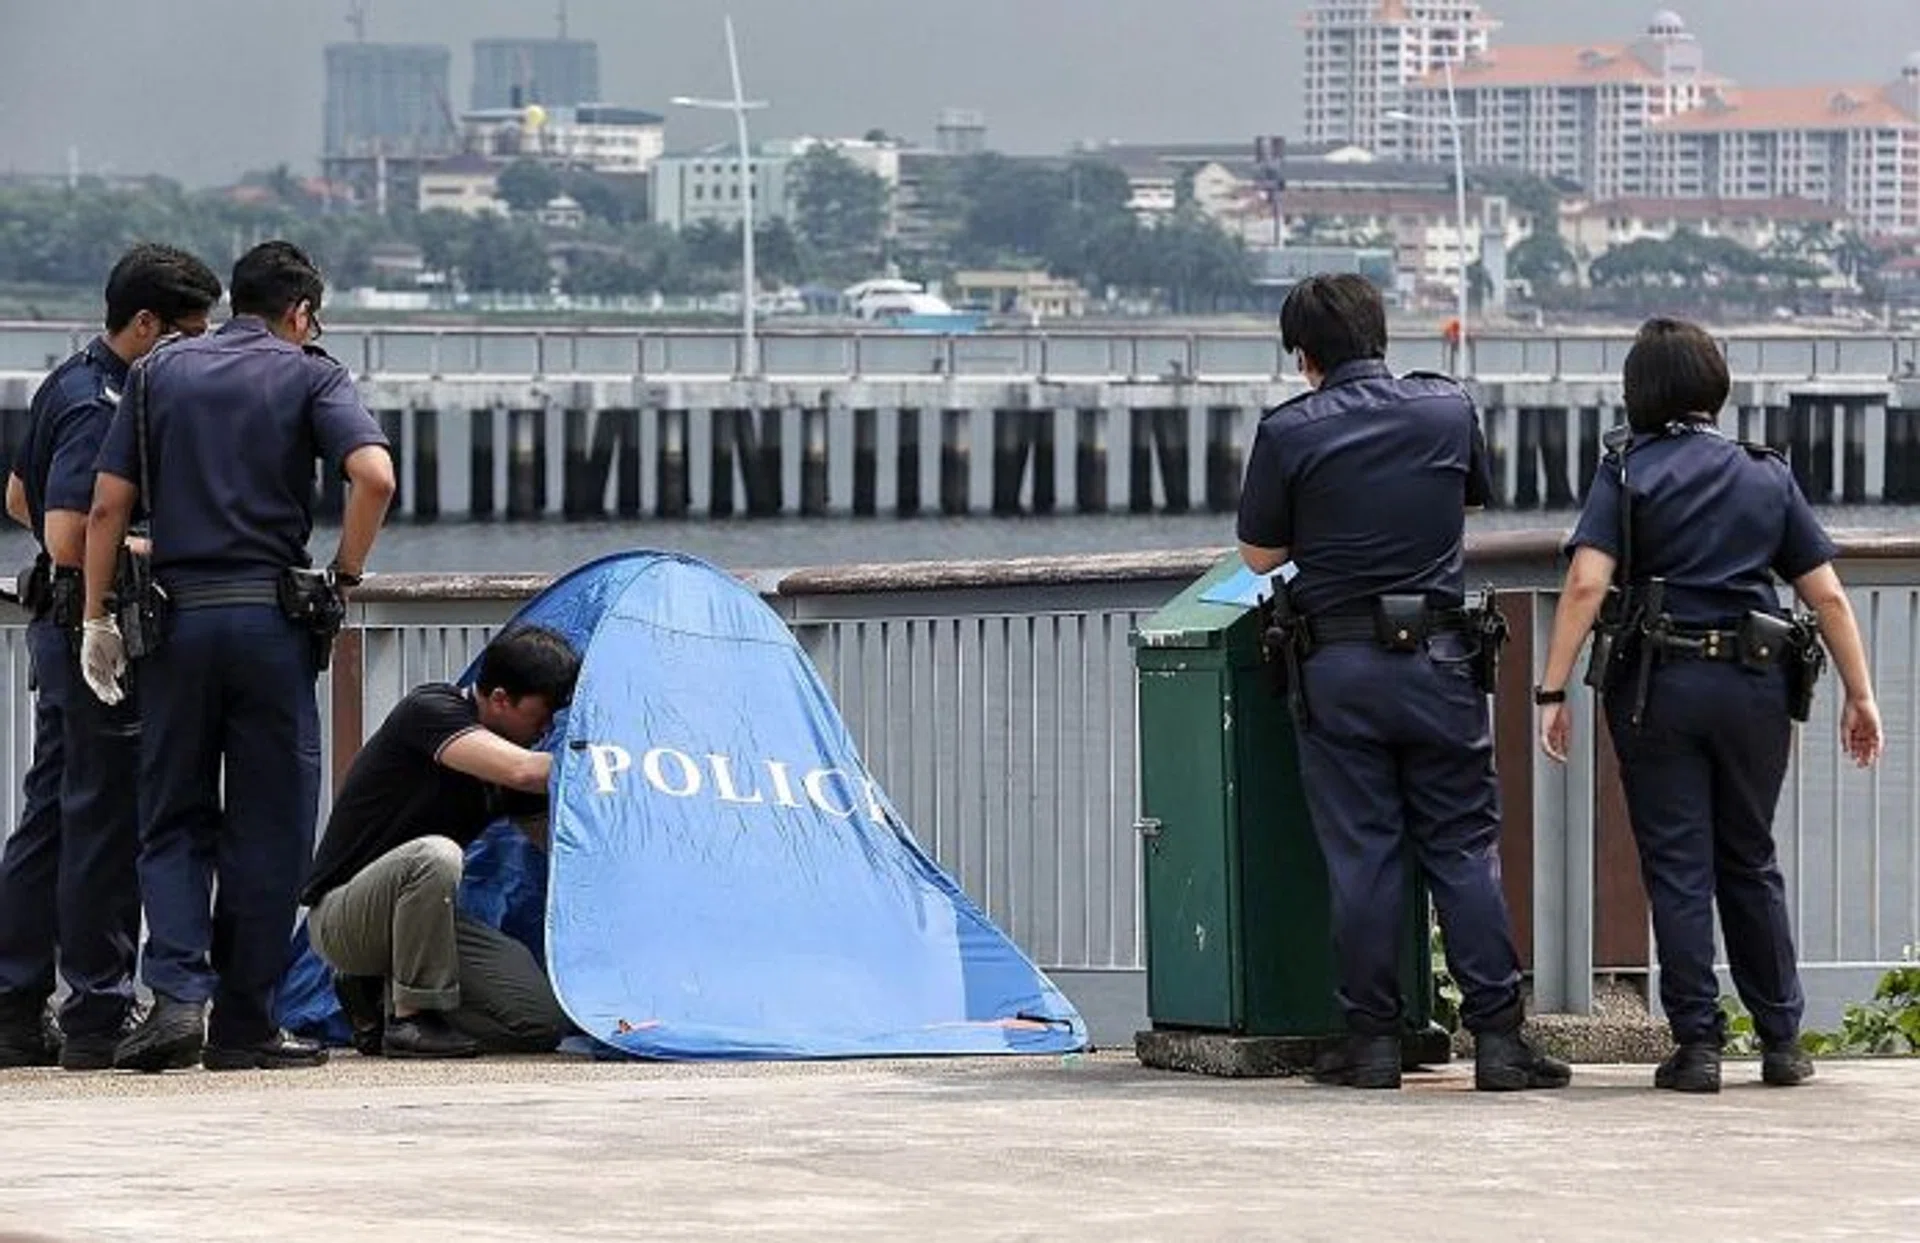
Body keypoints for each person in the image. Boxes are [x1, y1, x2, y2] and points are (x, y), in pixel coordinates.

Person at [1236, 273, 1569, 1092]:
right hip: (1444, 660)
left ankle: (1373, 1041)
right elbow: (1466, 504)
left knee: (1365, 854)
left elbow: (1259, 556)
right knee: (1462, 847)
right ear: (1382, 335)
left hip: (1339, 665)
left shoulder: (1289, 431)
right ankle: (1498, 1038)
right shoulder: (1446, 408)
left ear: (1304, 356)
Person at [1536, 317, 1883, 1094]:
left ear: (1640, 393)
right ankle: (1783, 1039)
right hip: (1756, 685)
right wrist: (1860, 693)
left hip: (1659, 686)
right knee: (1750, 857)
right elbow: (1824, 591)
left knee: (1678, 865)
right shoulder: (1766, 473)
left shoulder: (1627, 470)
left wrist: (1551, 688)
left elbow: (1588, 583)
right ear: (1715, 388)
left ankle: (1697, 1046)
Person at [79, 240, 398, 1072]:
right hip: (270, 623)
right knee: (270, 827)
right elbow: (374, 477)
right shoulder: (313, 374)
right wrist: (346, 572)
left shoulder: (158, 374)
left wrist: (93, 619)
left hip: (176, 621)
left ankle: (178, 996)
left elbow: (107, 506)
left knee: (172, 815)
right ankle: (247, 1023)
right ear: (299, 312)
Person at [0, 245, 223, 1070]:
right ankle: (95, 1008)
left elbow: (18, 494)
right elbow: (63, 526)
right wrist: (142, 543)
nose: (197, 349)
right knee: (101, 821)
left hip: (59, 624)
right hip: (94, 632)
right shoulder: (109, 400)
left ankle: (14, 998)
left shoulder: (68, 380)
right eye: (186, 334)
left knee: (55, 814)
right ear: (144, 325)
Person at [301, 625, 578, 1058]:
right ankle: (412, 1020)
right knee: (436, 855)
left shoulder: (514, 753)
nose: (546, 730)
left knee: (539, 1023)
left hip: (424, 924)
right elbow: (524, 771)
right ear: (501, 699)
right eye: (541, 716)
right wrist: (608, 765)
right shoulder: (431, 709)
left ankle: (379, 1003)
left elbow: (557, 848)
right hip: (344, 916)